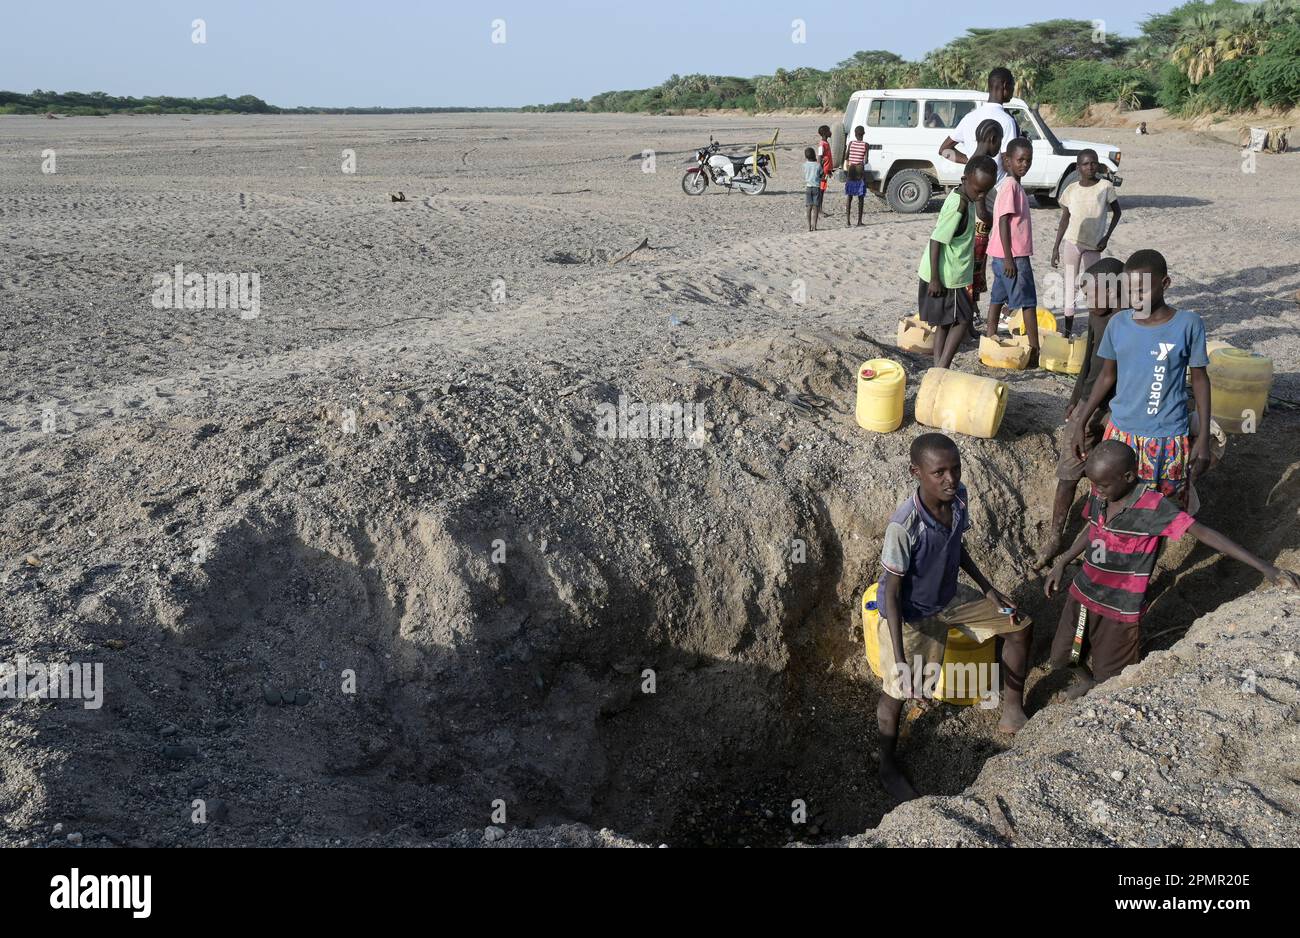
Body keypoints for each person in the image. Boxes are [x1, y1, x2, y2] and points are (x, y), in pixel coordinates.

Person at [1045, 440, 1299, 696]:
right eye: (1093, 484)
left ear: (1129, 476)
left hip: (1118, 610)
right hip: (1084, 598)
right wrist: (1063, 561)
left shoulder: (1154, 507)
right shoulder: (1101, 497)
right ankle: (1085, 681)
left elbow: (1204, 533)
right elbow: (1093, 529)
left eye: (1102, 485)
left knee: (1110, 678)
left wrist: (1266, 567)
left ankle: (1096, 695)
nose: (1096, 491)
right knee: (1067, 655)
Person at [876, 433, 1031, 800]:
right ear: (917, 472)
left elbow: (956, 546)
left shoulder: (959, 497)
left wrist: (989, 589)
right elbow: (893, 595)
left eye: (955, 468)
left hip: (949, 597)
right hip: (912, 613)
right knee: (898, 691)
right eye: (939, 472)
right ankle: (886, 763)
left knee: (1019, 625)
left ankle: (1012, 710)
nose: (950, 478)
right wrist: (899, 661)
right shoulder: (904, 526)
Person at [1070, 249, 1210, 510]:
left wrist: (1202, 438)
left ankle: (1150, 551)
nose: (1134, 299)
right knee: (1116, 508)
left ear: (1165, 284)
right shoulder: (1118, 324)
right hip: (1122, 437)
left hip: (1167, 437)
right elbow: (1106, 376)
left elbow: (1201, 381)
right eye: (1129, 291)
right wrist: (1081, 420)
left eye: (1142, 291)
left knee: (1161, 511)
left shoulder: (1188, 325)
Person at [1037, 257, 1126, 567]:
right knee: (1069, 472)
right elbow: (1088, 359)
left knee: (1105, 479)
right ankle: (1054, 536)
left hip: (1116, 410)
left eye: (1092, 294)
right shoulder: (1098, 317)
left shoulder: (1128, 321)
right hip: (1089, 405)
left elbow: (1115, 375)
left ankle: (1090, 542)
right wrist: (1077, 399)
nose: (1087, 301)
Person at [918, 156, 997, 368]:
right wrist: (935, 279)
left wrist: (979, 200)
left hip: (955, 273)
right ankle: (943, 366)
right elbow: (936, 240)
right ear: (964, 180)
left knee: (945, 322)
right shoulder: (959, 205)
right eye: (978, 190)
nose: (981, 195)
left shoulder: (966, 196)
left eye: (985, 191)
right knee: (963, 320)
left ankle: (938, 366)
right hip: (947, 276)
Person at [1050, 150, 1122, 336]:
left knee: (1093, 286)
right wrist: (1055, 247)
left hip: (1094, 245)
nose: (1090, 167)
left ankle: (1094, 328)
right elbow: (1065, 219)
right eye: (1085, 164)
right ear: (1077, 167)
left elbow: (1117, 212)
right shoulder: (1071, 190)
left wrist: (1106, 237)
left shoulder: (1105, 187)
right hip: (1072, 243)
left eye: (1093, 163)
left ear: (1098, 165)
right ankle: (1067, 330)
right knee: (1070, 286)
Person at [985, 138, 1039, 365]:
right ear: (1007, 161)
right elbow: (1004, 221)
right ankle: (1035, 349)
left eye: (1028, 160)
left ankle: (990, 336)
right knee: (1027, 302)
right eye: (1020, 160)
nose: (1024, 164)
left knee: (997, 296)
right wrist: (1009, 258)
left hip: (1001, 254)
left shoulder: (1013, 185)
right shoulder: (1010, 186)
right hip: (1013, 256)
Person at [940, 67, 1020, 216]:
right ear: (1004, 86)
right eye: (1012, 86)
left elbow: (944, 150)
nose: (1013, 91)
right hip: (996, 190)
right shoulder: (1007, 121)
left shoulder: (969, 117)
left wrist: (970, 160)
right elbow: (1009, 162)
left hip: (973, 188)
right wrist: (1016, 192)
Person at [965, 119, 1004, 338]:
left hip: (975, 228)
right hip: (979, 229)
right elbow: (980, 205)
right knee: (973, 276)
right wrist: (991, 220)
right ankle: (967, 323)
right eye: (999, 142)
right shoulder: (982, 164)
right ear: (992, 139)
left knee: (973, 275)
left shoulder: (974, 160)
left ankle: (969, 318)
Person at [803, 147, 824, 231]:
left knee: (808, 207)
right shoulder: (818, 165)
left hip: (808, 187)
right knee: (816, 208)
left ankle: (808, 226)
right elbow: (822, 175)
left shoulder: (804, 165)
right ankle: (814, 226)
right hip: (816, 187)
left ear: (806, 156)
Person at [816, 124, 834, 203]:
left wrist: (829, 170)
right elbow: (820, 157)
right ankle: (819, 209)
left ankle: (819, 208)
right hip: (823, 172)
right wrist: (820, 170)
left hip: (826, 171)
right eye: (829, 131)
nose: (831, 132)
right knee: (821, 190)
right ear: (825, 133)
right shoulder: (822, 144)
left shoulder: (826, 143)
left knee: (822, 189)